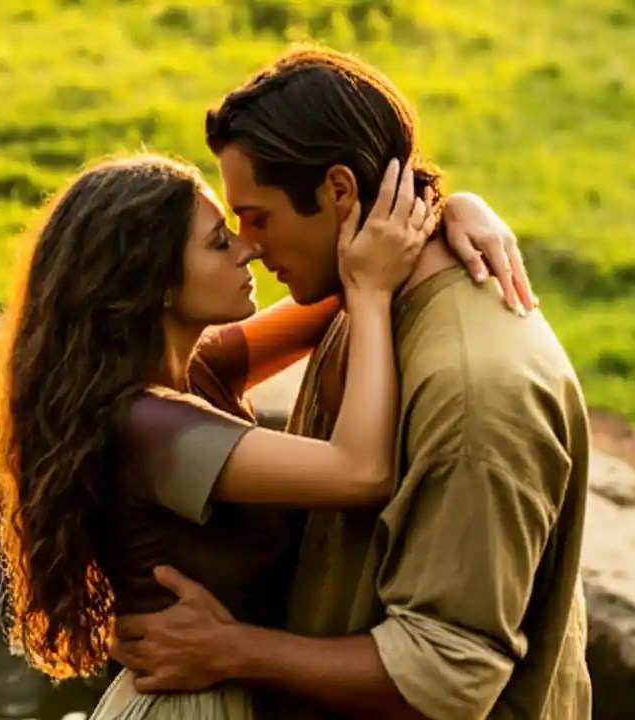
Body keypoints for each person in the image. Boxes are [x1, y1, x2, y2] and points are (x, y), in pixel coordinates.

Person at [109, 49, 593, 720]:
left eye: (256, 217)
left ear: (338, 194)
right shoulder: (362, 299)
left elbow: (447, 676)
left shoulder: (474, 398)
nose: (248, 244)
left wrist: (451, 205)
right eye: (227, 231)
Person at [0, 149, 530, 719]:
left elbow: (334, 290)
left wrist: (456, 210)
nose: (250, 249)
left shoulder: (196, 368)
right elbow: (360, 471)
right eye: (220, 242)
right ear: (155, 285)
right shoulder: (151, 427)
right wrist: (369, 295)